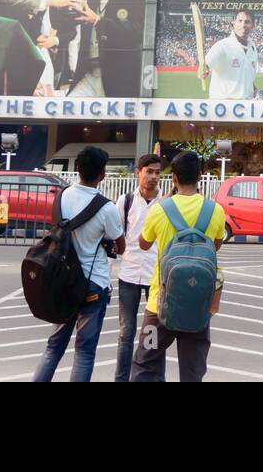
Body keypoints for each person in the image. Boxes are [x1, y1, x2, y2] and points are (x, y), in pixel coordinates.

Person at [130, 151, 227, 382]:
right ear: (200, 177)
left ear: (173, 178)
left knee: (144, 362)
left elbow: (143, 244)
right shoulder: (216, 211)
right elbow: (215, 246)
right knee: (192, 372)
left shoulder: (160, 210)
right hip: (198, 308)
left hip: (159, 307)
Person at [31, 146, 124, 382]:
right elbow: (120, 246)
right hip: (92, 286)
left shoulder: (61, 197)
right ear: (102, 173)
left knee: (53, 348)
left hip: (62, 281)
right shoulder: (107, 208)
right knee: (84, 351)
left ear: (77, 169)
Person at [68, 0, 145, 97]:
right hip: (86, 75)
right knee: (66, 118)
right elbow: (67, 29)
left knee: (114, 123)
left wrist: (98, 21)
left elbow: (139, 31)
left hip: (119, 78)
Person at [114, 152, 163, 382]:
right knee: (126, 334)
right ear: (138, 173)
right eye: (149, 172)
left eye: (157, 172)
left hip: (156, 278)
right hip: (129, 275)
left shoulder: (165, 204)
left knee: (155, 335)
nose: (153, 177)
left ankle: (155, 378)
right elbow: (116, 236)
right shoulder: (125, 202)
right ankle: (121, 379)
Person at [202, 10, 260, 99]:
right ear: (234, 23)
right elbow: (205, 66)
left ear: (253, 26)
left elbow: (249, 79)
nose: (243, 25)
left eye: (247, 22)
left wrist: (257, 92)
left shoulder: (252, 48)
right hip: (223, 107)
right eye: (240, 21)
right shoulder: (222, 46)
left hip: (246, 107)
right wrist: (204, 70)